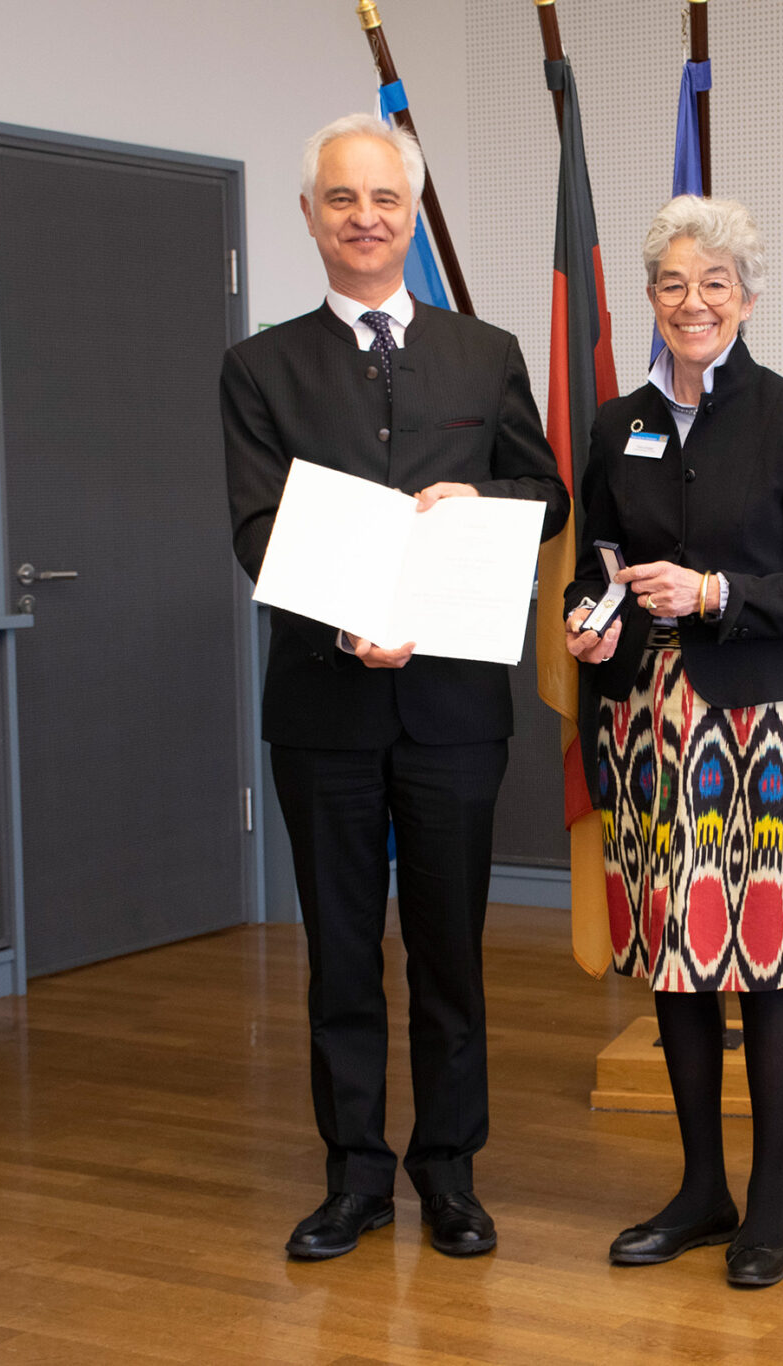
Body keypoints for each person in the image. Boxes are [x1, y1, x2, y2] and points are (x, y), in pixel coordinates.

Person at [221, 114, 567, 1261]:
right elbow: (258, 530)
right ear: (310, 216)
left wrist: (488, 509)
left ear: (411, 216)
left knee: (449, 953)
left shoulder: (486, 352)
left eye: (383, 198)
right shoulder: (258, 367)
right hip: (321, 709)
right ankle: (354, 1176)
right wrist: (348, 622)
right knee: (337, 953)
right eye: (340, 198)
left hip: (455, 710)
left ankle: (450, 1175)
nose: (363, 216)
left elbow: (545, 492)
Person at [564, 196, 783, 1288]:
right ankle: (701, 1187)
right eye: (671, 284)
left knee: (759, 963)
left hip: (755, 733)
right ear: (650, 298)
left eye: (714, 283)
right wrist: (585, 620)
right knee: (674, 959)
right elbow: (596, 561)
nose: (691, 302)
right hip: (646, 722)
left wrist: (715, 591)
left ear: (745, 294)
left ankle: (769, 1199)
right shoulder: (617, 423)